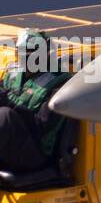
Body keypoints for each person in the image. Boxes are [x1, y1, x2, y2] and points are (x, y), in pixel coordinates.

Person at [0, 30, 73, 174]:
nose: (27, 60)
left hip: (34, 152)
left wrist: (8, 101)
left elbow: (42, 125)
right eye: (22, 54)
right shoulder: (12, 74)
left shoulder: (60, 84)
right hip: (8, 144)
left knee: (5, 115)